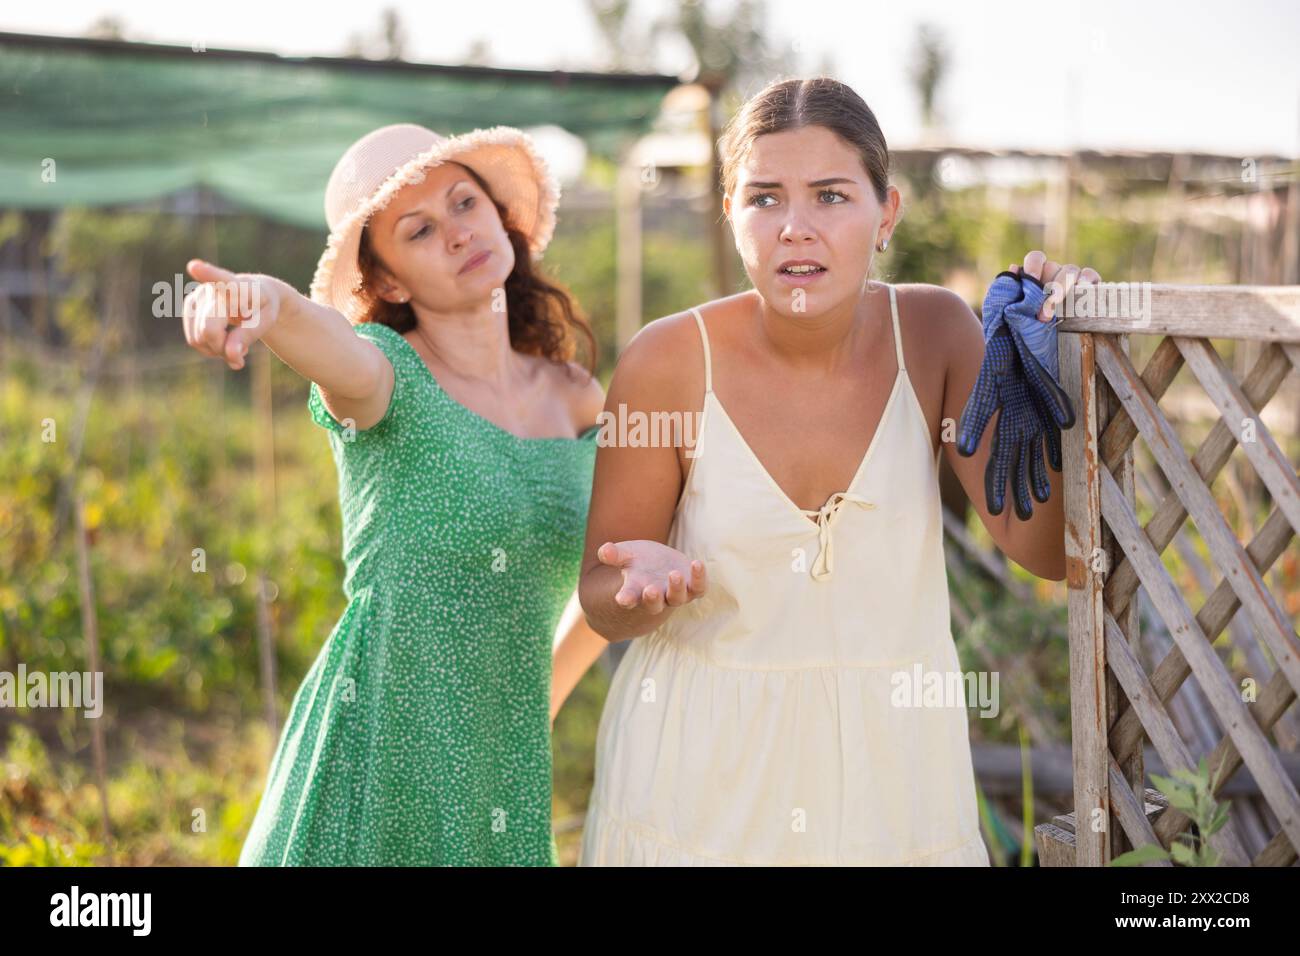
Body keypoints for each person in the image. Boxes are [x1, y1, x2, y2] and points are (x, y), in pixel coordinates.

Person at [577, 77, 1100, 865]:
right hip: (695, 787)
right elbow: (599, 596)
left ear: (885, 213)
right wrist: (634, 587)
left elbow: (1054, 554)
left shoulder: (935, 336)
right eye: (764, 198)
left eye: (829, 196)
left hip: (896, 785)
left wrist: (1079, 356)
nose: (795, 228)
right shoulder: (669, 361)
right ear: (728, 209)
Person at [181, 123, 610, 865]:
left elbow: (610, 577)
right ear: (386, 283)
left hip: (500, 775)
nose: (457, 233)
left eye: (465, 203)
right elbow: (330, 347)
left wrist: (532, 708)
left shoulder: (577, 398)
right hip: (378, 755)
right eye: (419, 230)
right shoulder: (386, 375)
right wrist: (272, 306)